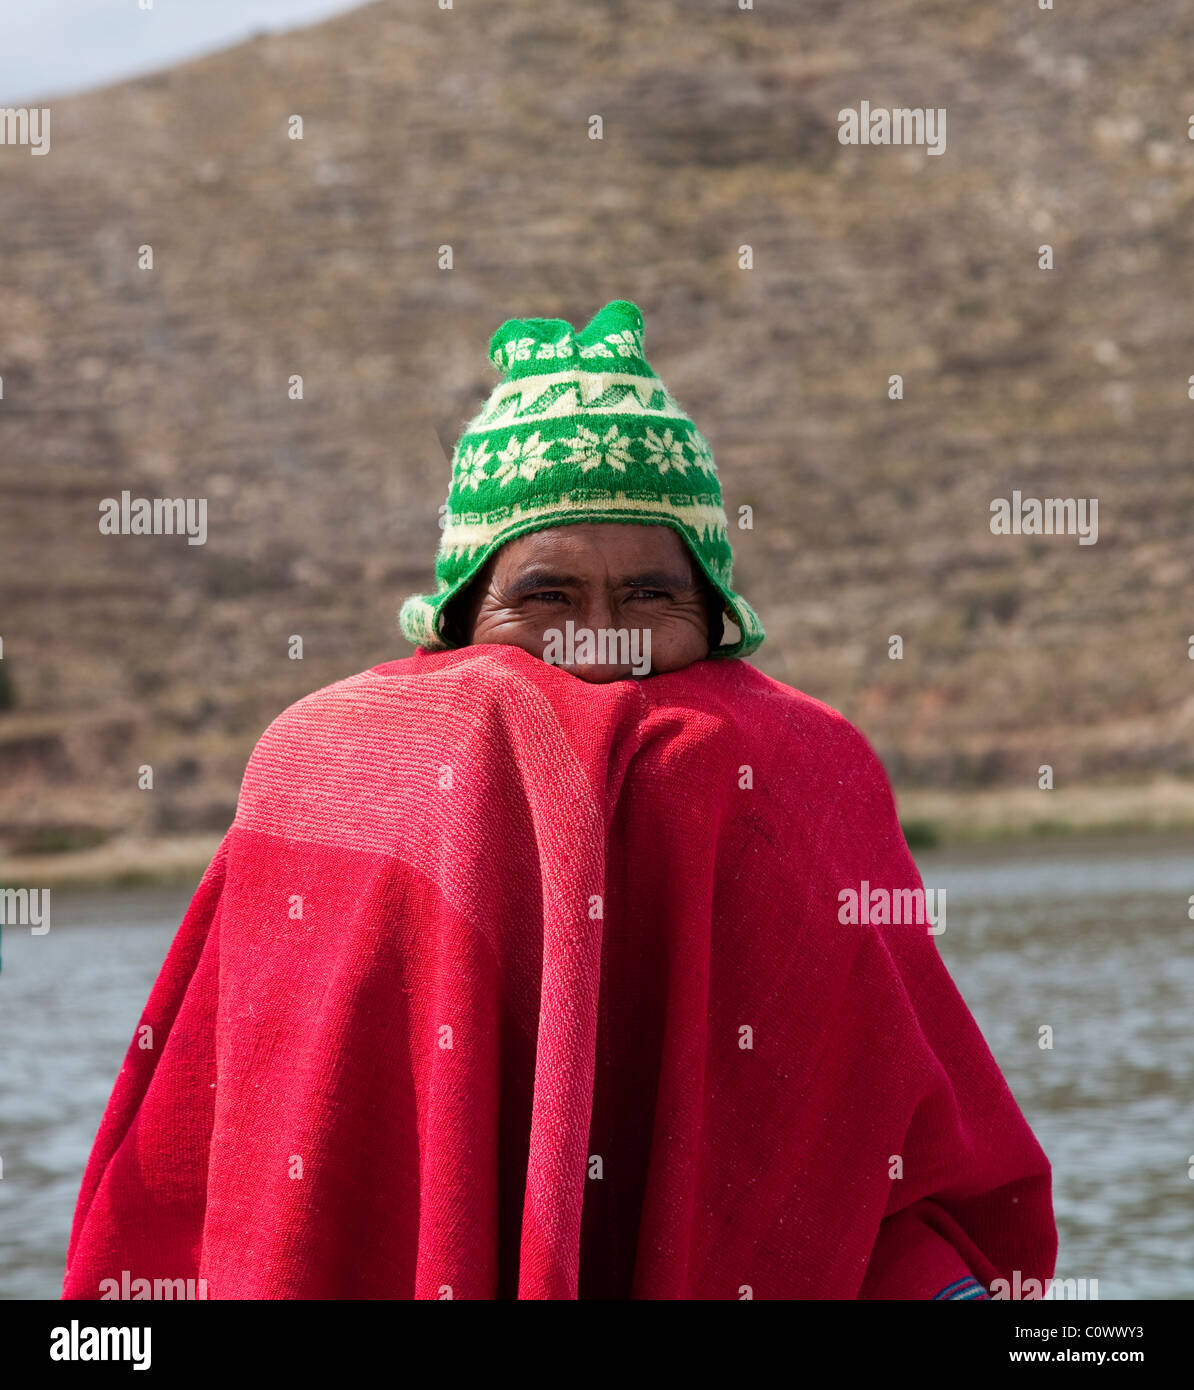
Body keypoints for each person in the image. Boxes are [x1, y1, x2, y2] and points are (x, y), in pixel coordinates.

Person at [64, 300, 1056, 1300]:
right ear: (463, 614)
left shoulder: (791, 774)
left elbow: (892, 1145)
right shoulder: (341, 764)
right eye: (546, 596)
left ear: (713, 616)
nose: (599, 641)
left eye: (649, 597)